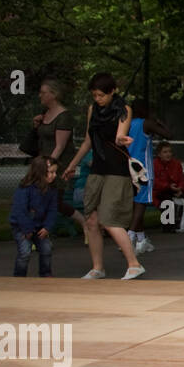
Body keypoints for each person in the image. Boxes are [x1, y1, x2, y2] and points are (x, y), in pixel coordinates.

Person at [62, 72, 143, 280]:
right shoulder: (93, 110)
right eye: (95, 95)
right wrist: (73, 164)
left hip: (116, 170)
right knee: (91, 219)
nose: (98, 99)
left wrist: (122, 140)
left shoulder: (124, 109)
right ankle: (98, 268)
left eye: (101, 95)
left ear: (112, 91)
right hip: (97, 169)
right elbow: (89, 141)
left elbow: (119, 137)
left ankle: (134, 264)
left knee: (109, 219)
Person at [32, 78, 85, 236]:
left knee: (52, 200)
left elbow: (60, 146)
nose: (40, 95)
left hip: (56, 164)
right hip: (42, 161)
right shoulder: (45, 114)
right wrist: (36, 125)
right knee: (46, 200)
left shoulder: (64, 117)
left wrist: (48, 166)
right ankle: (83, 223)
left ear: (53, 94)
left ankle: (43, 233)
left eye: (43, 92)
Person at [127, 99, 170, 256]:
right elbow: (168, 135)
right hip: (143, 167)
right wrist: (160, 123)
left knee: (134, 203)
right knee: (141, 203)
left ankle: (141, 239)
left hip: (129, 165)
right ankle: (129, 236)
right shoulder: (147, 123)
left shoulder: (128, 123)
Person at [10, 156, 59, 277]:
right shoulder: (25, 189)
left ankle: (46, 274)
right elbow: (20, 210)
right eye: (51, 172)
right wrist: (27, 229)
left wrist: (47, 227)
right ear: (40, 173)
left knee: (46, 249)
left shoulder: (51, 190)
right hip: (22, 227)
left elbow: (53, 210)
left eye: (55, 172)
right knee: (25, 252)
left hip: (40, 227)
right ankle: (19, 277)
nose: (55, 175)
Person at [152, 141, 184, 234]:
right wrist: (168, 186)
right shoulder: (154, 164)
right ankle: (168, 226)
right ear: (159, 154)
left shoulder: (176, 164)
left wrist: (180, 189)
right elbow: (155, 182)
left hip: (175, 189)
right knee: (167, 200)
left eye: (169, 152)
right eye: (165, 152)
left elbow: (181, 179)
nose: (168, 154)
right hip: (160, 190)